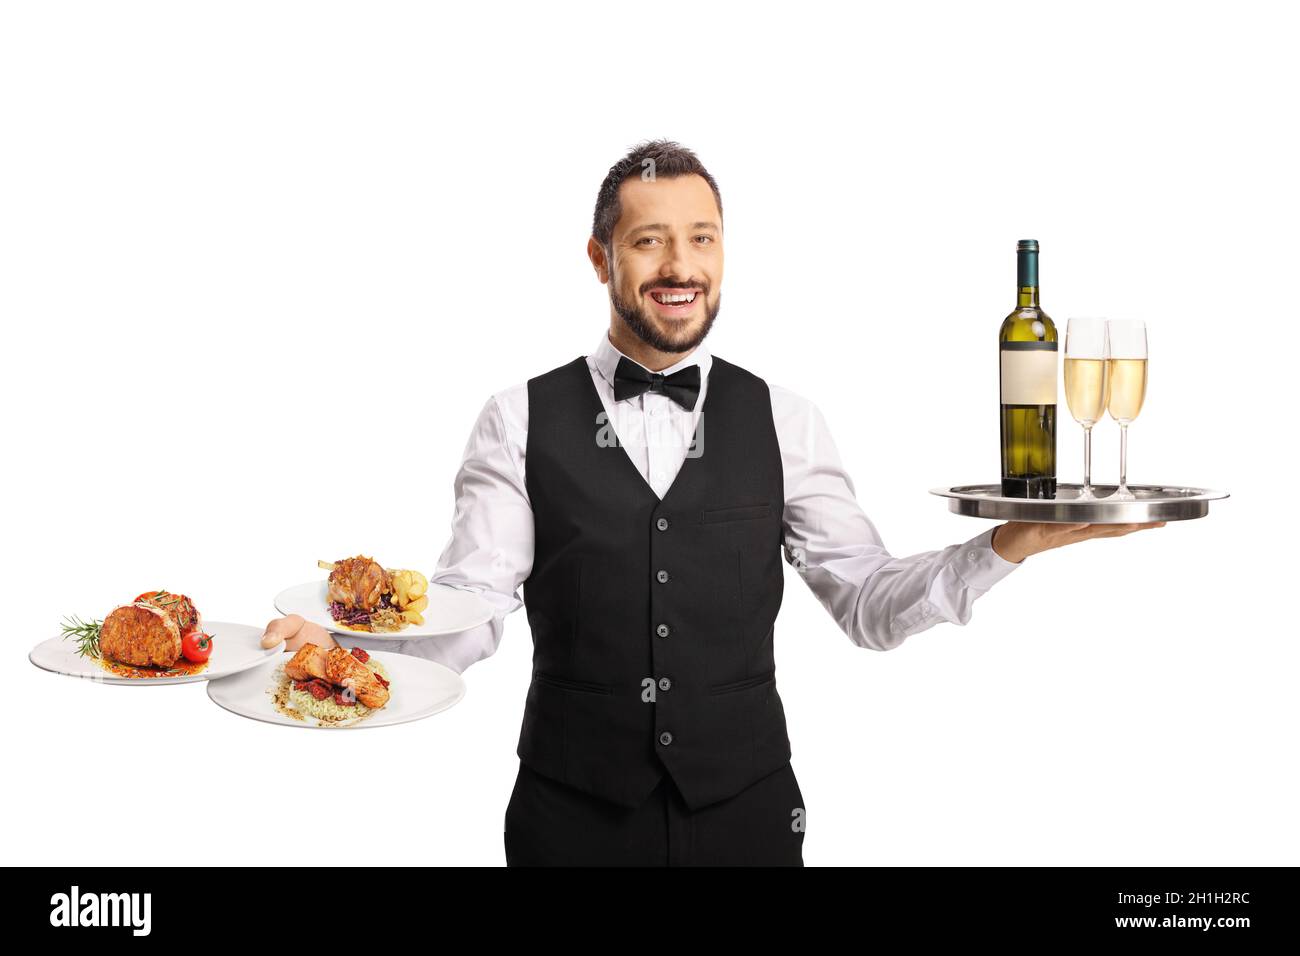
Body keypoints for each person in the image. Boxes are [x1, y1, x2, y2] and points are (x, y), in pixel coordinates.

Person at [260, 140, 1164, 866]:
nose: (678, 264)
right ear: (601, 256)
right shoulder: (518, 419)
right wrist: (345, 648)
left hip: (749, 820)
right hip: (571, 827)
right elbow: (473, 607)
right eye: (650, 239)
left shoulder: (785, 419)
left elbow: (868, 604)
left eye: (702, 237)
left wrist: (1003, 546)